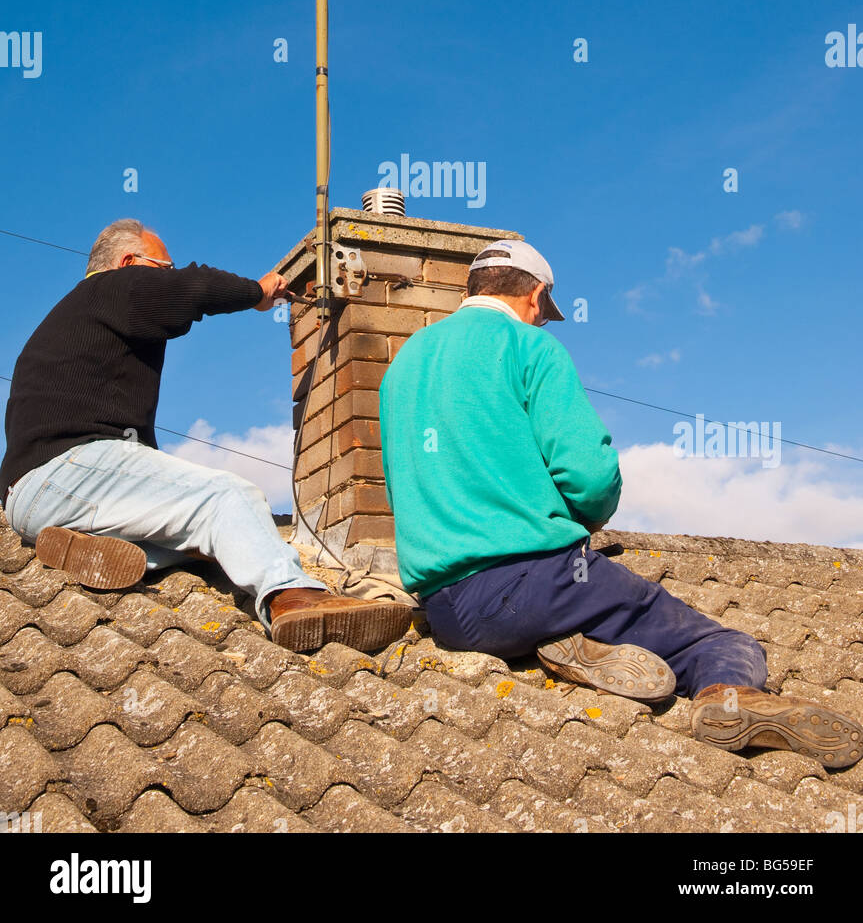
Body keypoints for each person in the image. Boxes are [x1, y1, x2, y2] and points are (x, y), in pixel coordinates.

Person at [379, 239, 863, 769]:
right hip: (534, 584)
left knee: (570, 611)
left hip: (449, 612)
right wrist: (582, 521)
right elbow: (589, 476)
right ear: (536, 296)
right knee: (722, 642)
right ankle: (729, 698)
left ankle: (570, 647)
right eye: (543, 313)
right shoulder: (528, 347)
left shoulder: (402, 366)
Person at [1, 219, 412, 654]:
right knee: (228, 498)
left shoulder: (79, 322)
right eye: (163, 267)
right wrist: (258, 292)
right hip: (68, 472)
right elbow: (193, 287)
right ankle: (294, 598)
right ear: (128, 262)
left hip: (36, 498)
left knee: (210, 543)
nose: (168, 276)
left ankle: (87, 544)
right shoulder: (111, 287)